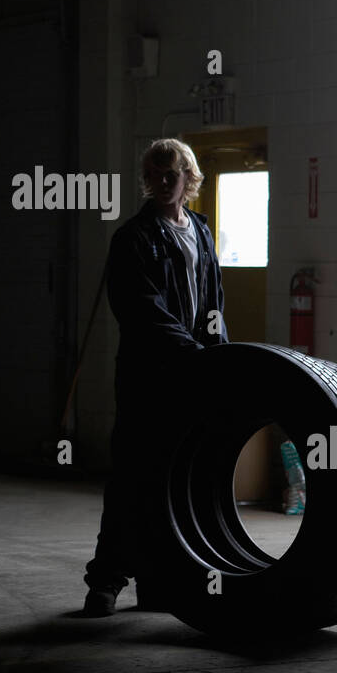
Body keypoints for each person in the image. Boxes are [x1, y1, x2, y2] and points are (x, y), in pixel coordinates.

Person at [82, 138, 229, 616]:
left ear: (189, 177)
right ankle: (105, 582)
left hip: (194, 372)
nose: (163, 182)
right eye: (154, 174)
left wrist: (219, 353)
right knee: (132, 477)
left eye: (172, 173)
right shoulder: (133, 237)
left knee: (175, 479)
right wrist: (189, 353)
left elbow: (212, 303)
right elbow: (139, 309)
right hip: (150, 375)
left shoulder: (202, 231)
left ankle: (158, 583)